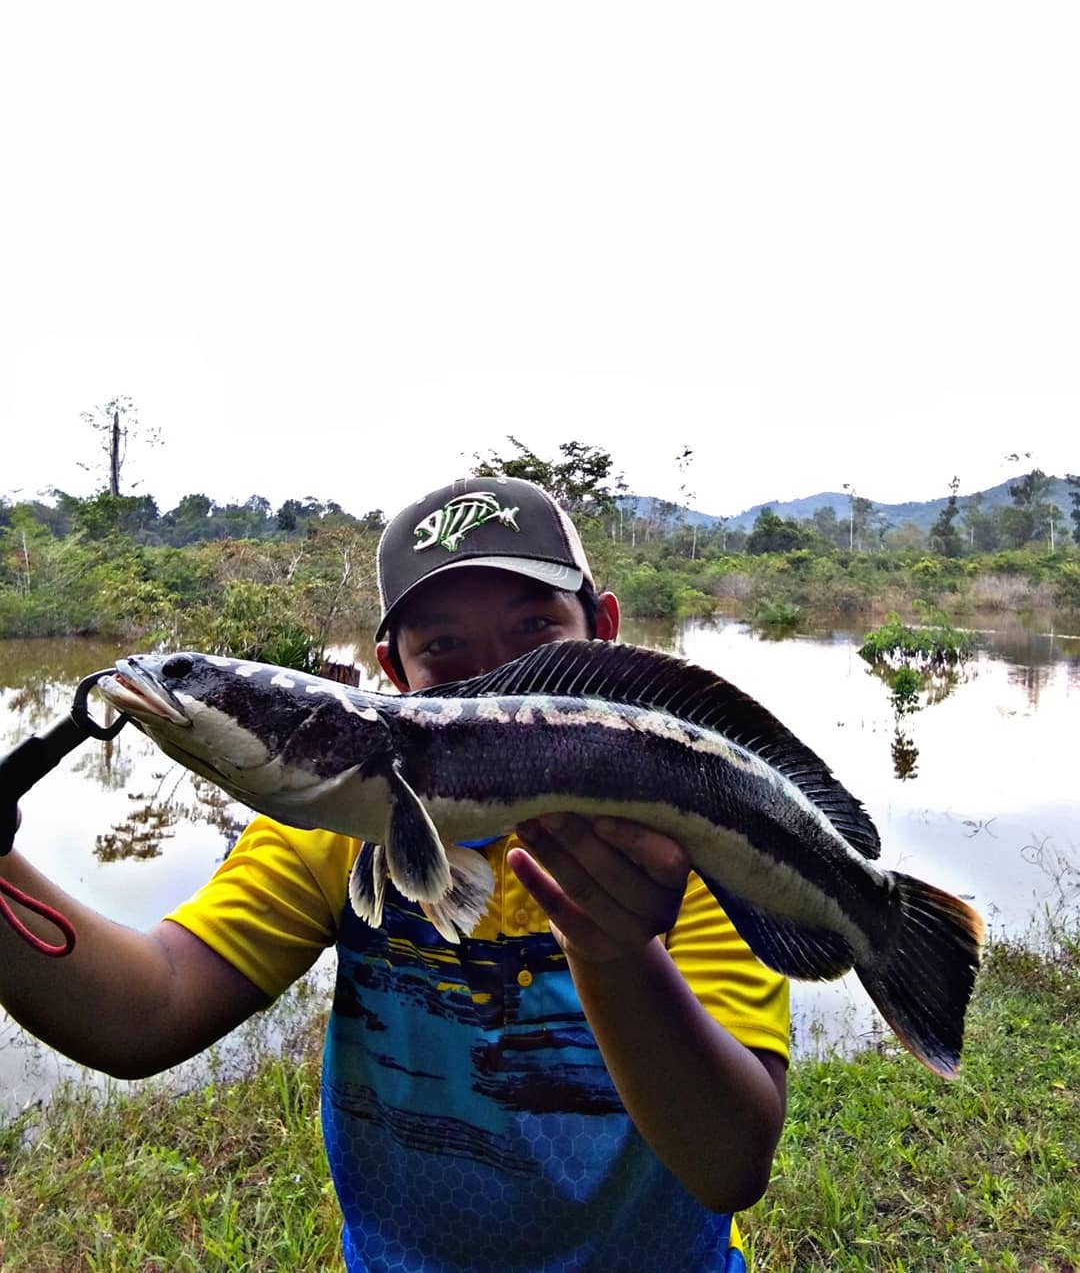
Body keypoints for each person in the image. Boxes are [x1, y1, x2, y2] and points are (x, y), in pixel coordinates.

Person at [0, 475, 789, 1272]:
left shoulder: (687, 835)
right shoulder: (332, 825)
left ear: (603, 632)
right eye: (443, 648)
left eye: (534, 628)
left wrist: (616, 953)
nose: (496, 680)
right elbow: (148, 1011)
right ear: (394, 668)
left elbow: (729, 1166)